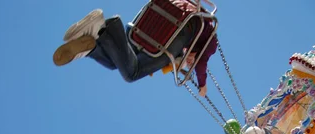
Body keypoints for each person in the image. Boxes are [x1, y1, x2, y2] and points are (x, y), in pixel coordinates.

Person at [52, 4, 217, 96]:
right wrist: (203, 86)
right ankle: (107, 28)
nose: (190, 63)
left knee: (115, 63)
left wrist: (181, 59)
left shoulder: (187, 44)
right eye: (191, 63)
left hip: (156, 25)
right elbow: (201, 63)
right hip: (179, 27)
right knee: (132, 73)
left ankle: (90, 45)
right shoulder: (208, 43)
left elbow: (185, 57)